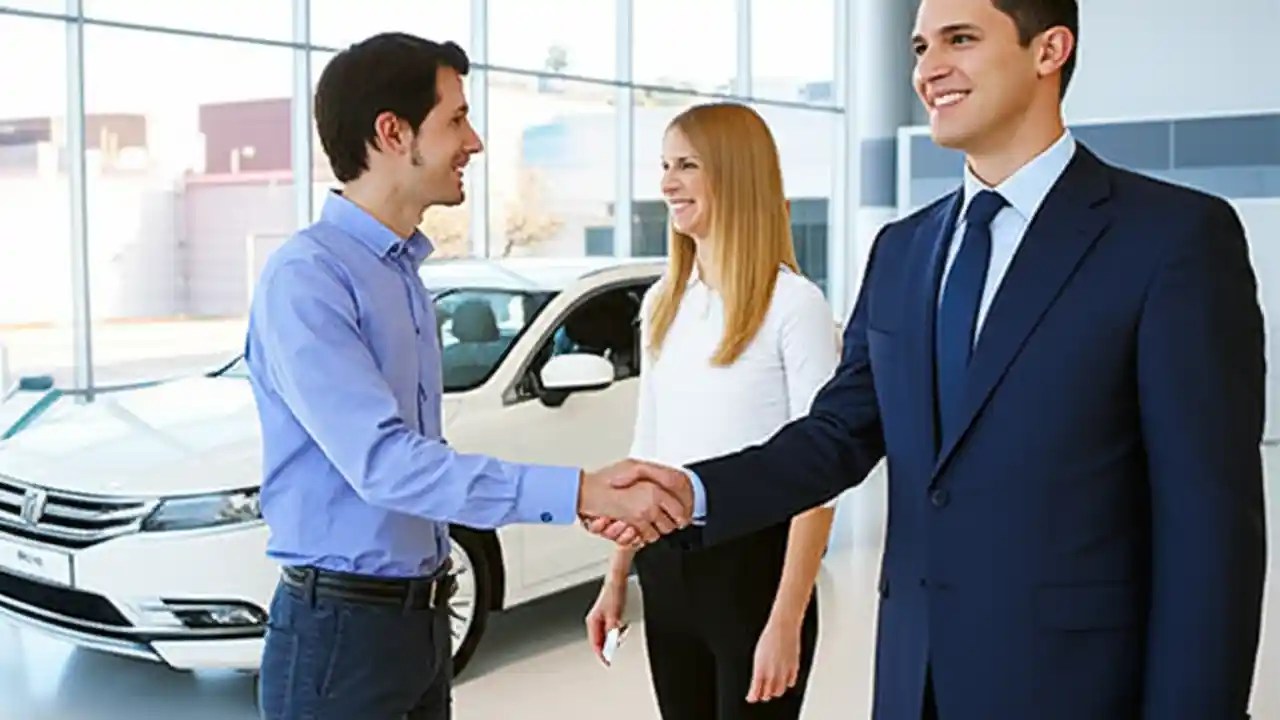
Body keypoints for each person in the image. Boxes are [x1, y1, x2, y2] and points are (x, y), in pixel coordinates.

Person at [592, 0, 1269, 718]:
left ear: (1050, 51)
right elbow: (837, 435)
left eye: (961, 40)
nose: (928, 69)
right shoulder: (903, 250)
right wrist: (691, 491)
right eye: (918, 48)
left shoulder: (1172, 239)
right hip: (916, 679)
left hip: (1078, 684)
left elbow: (1210, 528)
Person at [243, 33, 691, 720]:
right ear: (392, 134)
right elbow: (385, 464)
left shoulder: (403, 277)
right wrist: (579, 491)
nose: (474, 142)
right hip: (341, 635)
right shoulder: (310, 279)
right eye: (455, 119)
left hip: (422, 618)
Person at [583, 103, 839, 719]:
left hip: (753, 573)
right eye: (665, 166)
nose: (667, 183)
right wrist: (616, 576)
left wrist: (786, 620)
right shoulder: (664, 302)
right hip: (666, 568)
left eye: (687, 165)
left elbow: (821, 481)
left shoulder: (794, 306)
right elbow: (648, 444)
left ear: (735, 173)